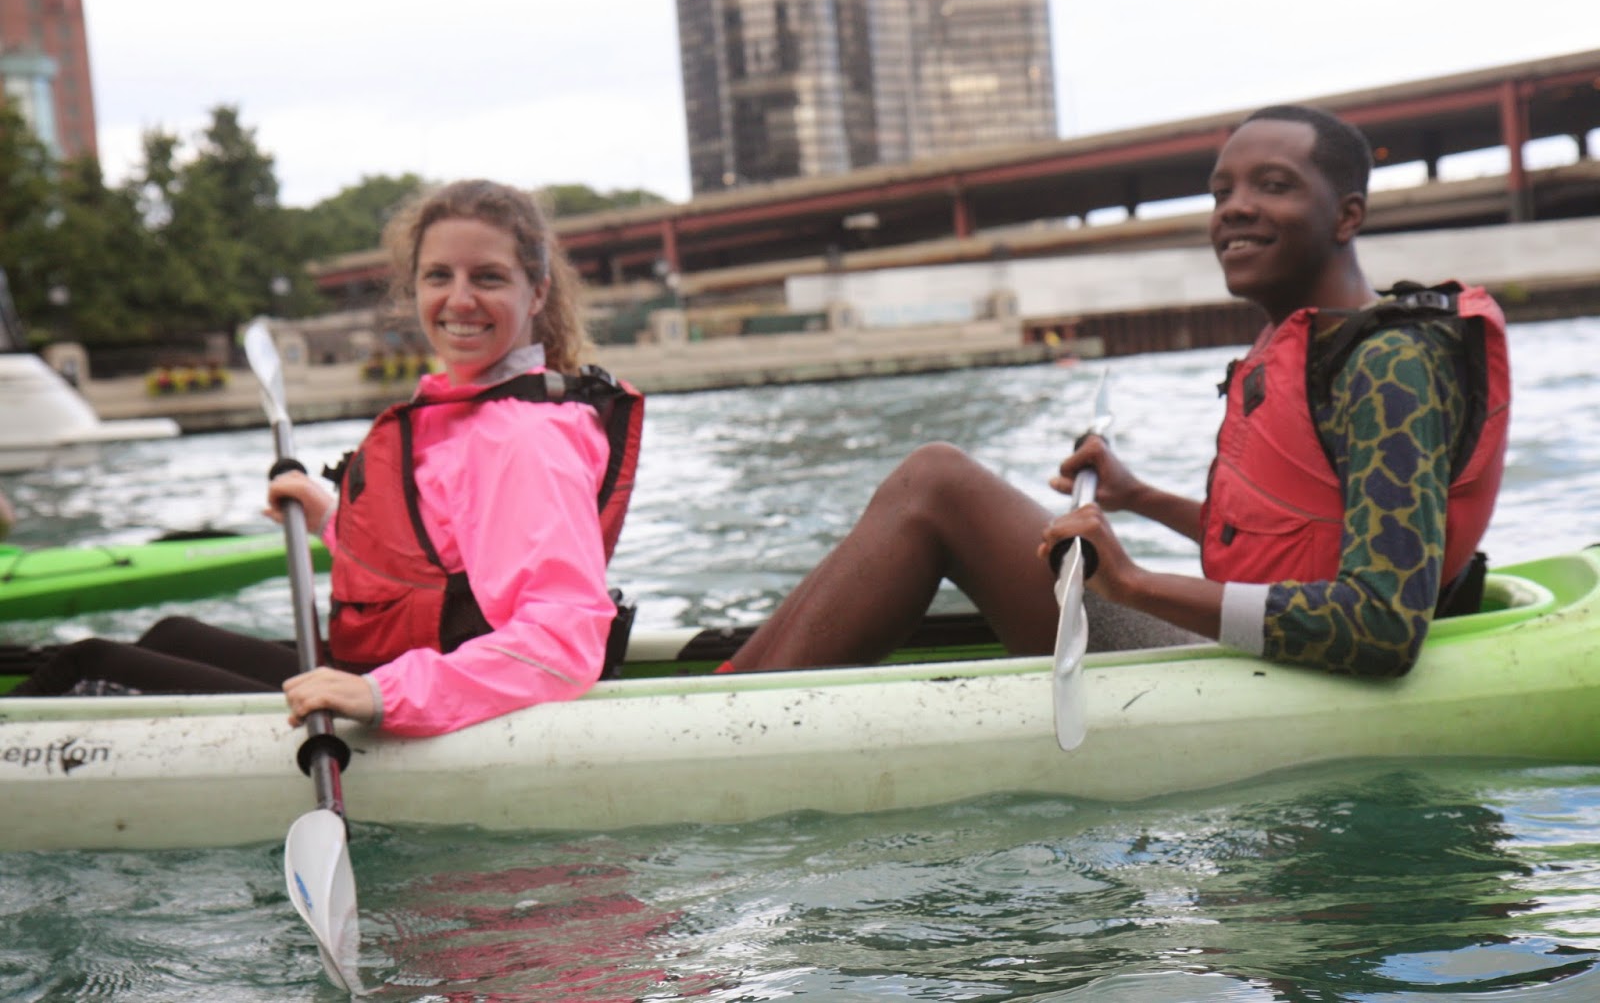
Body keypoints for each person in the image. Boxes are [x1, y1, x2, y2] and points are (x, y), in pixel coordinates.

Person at [724, 105, 1509, 677]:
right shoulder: (1310, 350)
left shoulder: (1388, 365)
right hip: (1261, 658)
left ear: (1347, 216)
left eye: (1273, 185)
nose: (1235, 206)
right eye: (1221, 190)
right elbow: (1295, 543)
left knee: (937, 484)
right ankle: (731, 691)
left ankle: (727, 718)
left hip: (1283, 680)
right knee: (931, 481)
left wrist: (1131, 583)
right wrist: (1139, 498)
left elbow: (1381, 626)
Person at [11, 179, 646, 737]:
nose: (459, 299)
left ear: (536, 294)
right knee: (169, 638)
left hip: (428, 700)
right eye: (438, 276)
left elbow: (564, 639)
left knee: (87, 666)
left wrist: (378, 695)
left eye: (487, 277)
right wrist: (330, 520)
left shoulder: (522, 437)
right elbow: (446, 573)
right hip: (408, 674)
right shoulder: (469, 410)